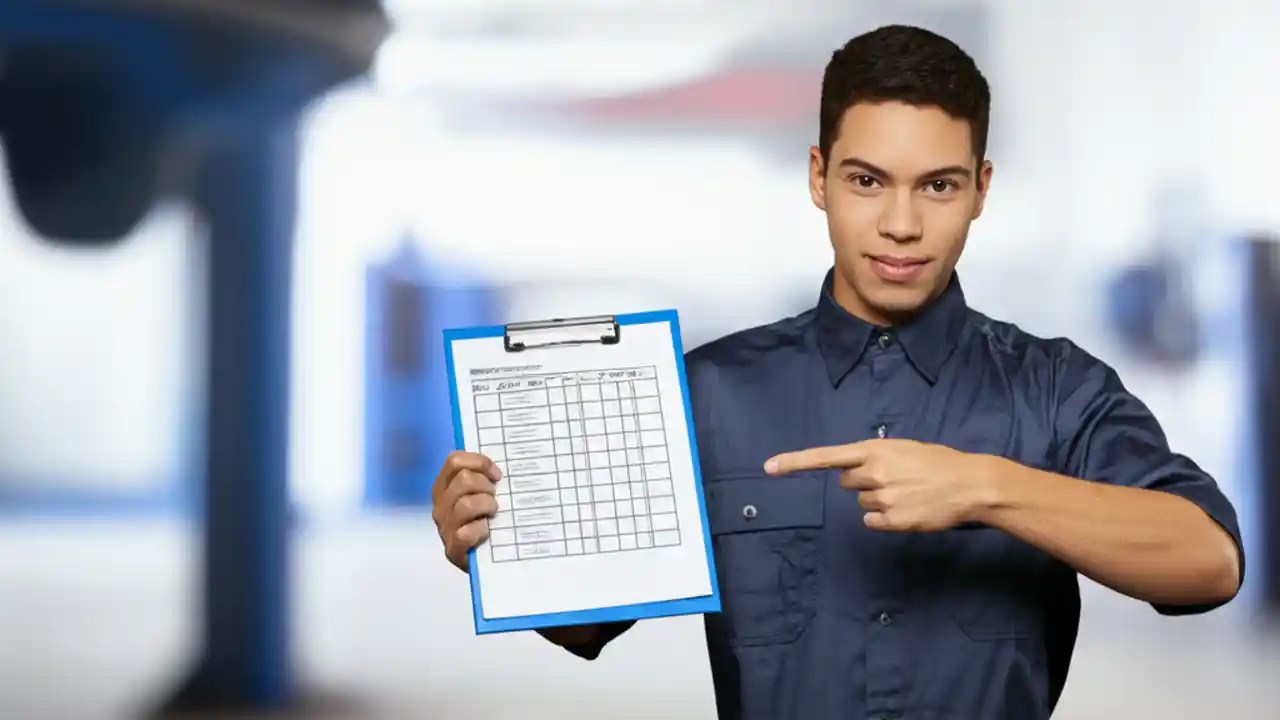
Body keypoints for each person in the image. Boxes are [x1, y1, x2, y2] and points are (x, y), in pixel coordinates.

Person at [430, 24, 1244, 720]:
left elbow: (1207, 562)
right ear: (819, 178)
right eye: (867, 181)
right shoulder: (704, 394)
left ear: (980, 191)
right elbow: (583, 627)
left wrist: (985, 488)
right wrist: (493, 545)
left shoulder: (1058, 389)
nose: (900, 225)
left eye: (938, 186)